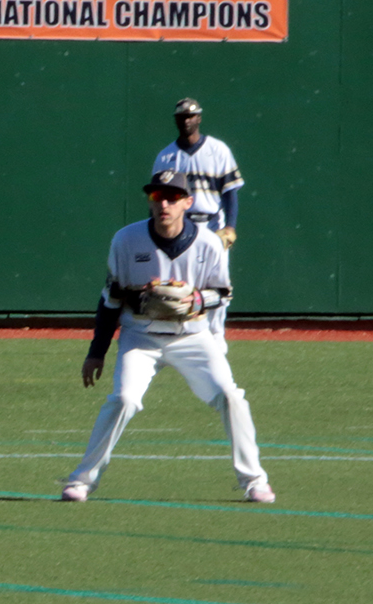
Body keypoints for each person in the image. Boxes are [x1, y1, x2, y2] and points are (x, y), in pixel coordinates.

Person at [61, 170, 273, 505]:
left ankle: (254, 480)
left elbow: (223, 292)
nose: (165, 204)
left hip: (192, 336)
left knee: (231, 397)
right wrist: (97, 351)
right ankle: (82, 480)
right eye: (158, 197)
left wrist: (196, 301)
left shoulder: (208, 243)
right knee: (124, 399)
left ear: (188, 203)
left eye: (173, 198)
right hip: (141, 335)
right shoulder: (126, 241)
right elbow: (111, 299)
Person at [153, 98, 245, 252]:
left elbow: (229, 192)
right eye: (182, 117)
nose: (186, 121)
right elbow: (157, 199)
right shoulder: (165, 157)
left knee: (214, 276)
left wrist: (230, 227)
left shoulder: (218, 150)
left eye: (191, 116)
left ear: (199, 118)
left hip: (213, 227)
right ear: (176, 120)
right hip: (178, 227)